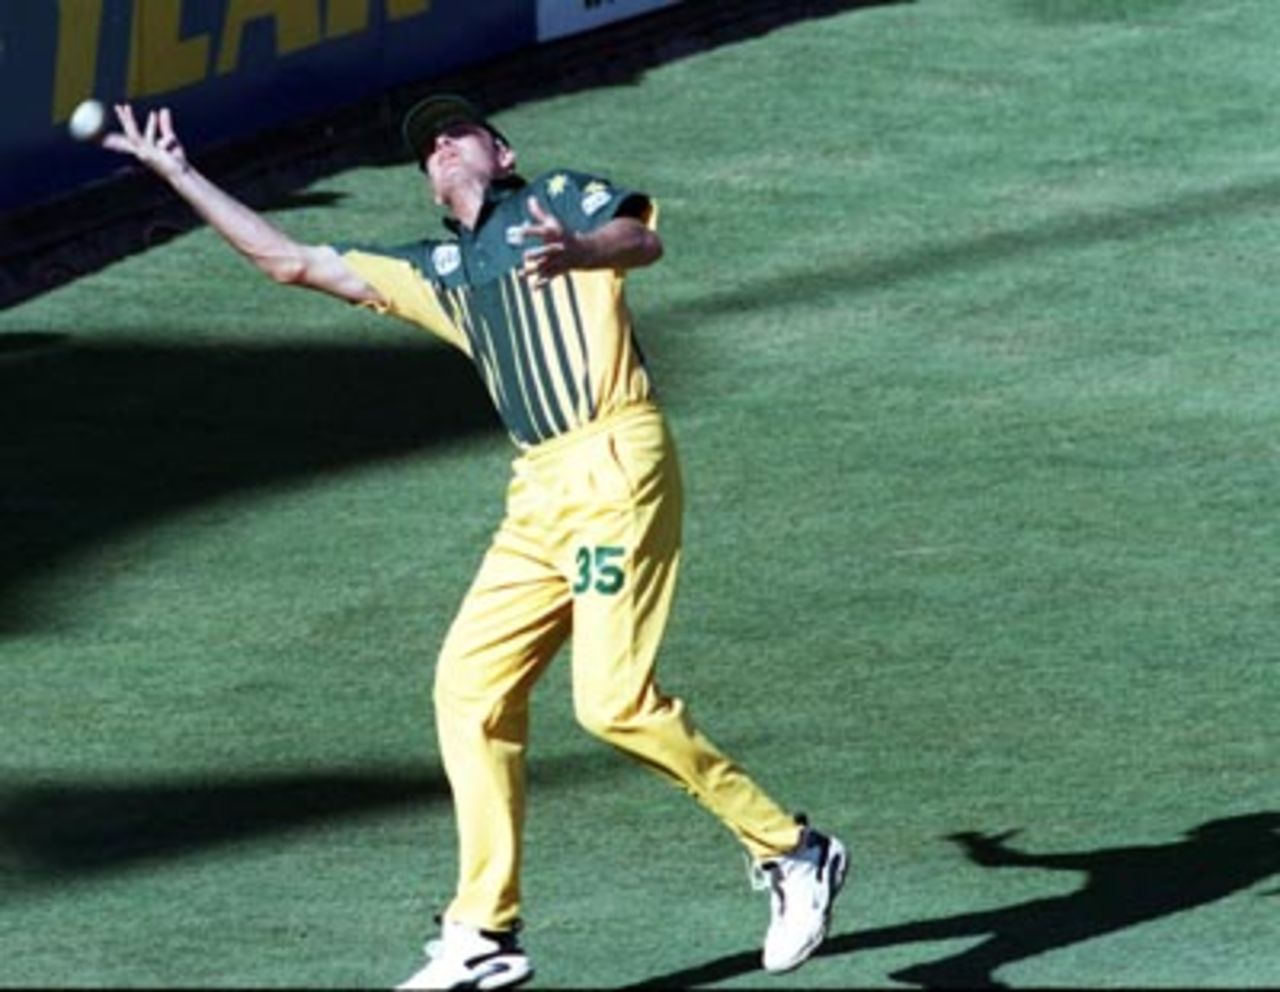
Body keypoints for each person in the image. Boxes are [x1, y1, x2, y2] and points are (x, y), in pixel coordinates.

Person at [102, 94, 848, 990]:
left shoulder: (556, 200)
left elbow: (641, 242)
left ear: (502, 150)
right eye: (428, 147)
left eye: (459, 132)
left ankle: (791, 849)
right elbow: (290, 261)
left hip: (614, 461)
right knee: (469, 689)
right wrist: (180, 174)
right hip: (538, 492)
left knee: (611, 704)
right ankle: (486, 931)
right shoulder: (437, 271)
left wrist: (581, 251)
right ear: (427, 182)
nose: (443, 147)